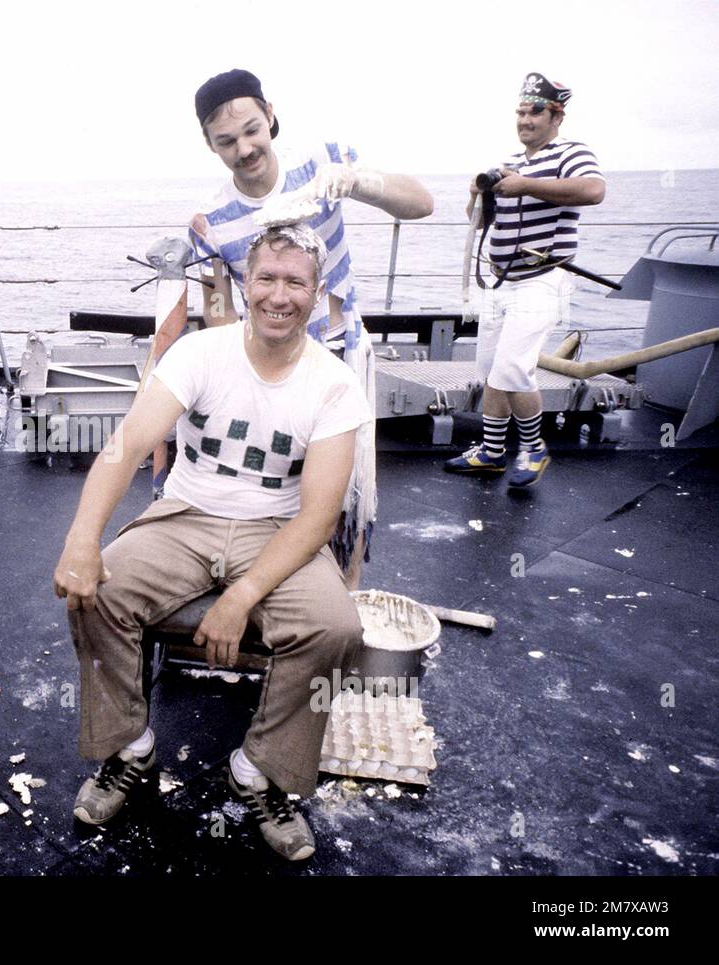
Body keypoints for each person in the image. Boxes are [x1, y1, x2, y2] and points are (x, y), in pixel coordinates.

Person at [54, 224, 368, 861]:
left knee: (336, 628)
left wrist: (243, 595)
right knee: (97, 591)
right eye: (266, 279)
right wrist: (82, 540)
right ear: (245, 284)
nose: (279, 296)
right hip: (189, 512)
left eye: (296, 282)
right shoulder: (199, 354)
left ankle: (261, 773)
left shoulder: (334, 384)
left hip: (279, 529)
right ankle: (129, 749)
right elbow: (125, 448)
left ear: (318, 291)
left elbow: (317, 519)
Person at [187, 68, 434, 585]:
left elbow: (422, 204)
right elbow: (220, 314)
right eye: (226, 141)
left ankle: (344, 599)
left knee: (346, 497)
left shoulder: (320, 163)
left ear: (270, 116)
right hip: (272, 367)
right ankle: (273, 596)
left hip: (340, 357)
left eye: (252, 129)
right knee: (274, 490)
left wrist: (359, 182)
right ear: (210, 145)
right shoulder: (211, 220)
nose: (245, 149)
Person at [445, 71, 605, 487]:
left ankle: (533, 449)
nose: (524, 120)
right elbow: (478, 220)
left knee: (514, 367)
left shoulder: (572, 152)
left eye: (534, 111)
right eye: (519, 112)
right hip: (502, 282)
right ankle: (493, 453)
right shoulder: (509, 165)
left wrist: (526, 186)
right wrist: (478, 194)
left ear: (556, 116)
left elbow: (593, 191)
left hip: (543, 279)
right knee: (490, 369)